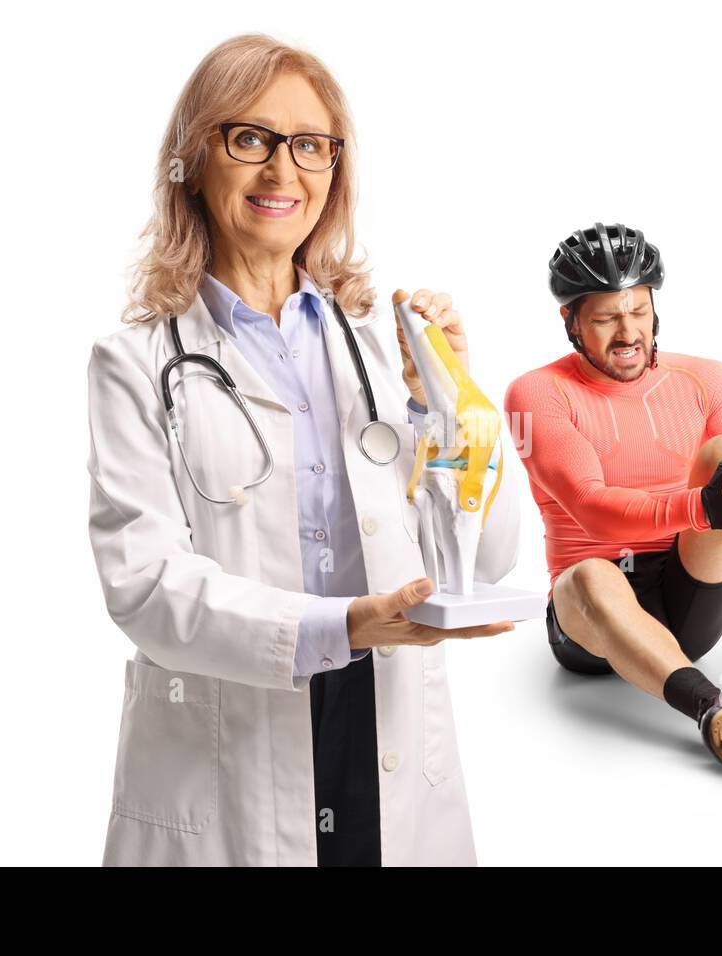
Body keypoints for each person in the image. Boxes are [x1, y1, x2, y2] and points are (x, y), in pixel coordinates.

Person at [86, 33, 520, 866]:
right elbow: (144, 584)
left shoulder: (378, 348)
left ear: (335, 171)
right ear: (191, 159)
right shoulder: (134, 362)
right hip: (232, 732)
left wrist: (449, 404)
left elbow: (488, 559)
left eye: (312, 146)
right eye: (250, 139)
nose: (283, 171)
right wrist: (344, 624)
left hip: (387, 720)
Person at [502, 223, 722, 771]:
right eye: (605, 318)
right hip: (590, 625)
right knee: (594, 573)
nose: (627, 333)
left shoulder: (705, 378)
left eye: (638, 312)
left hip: (691, 599)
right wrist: (700, 507)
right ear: (570, 322)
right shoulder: (537, 393)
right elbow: (590, 507)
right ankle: (715, 710)